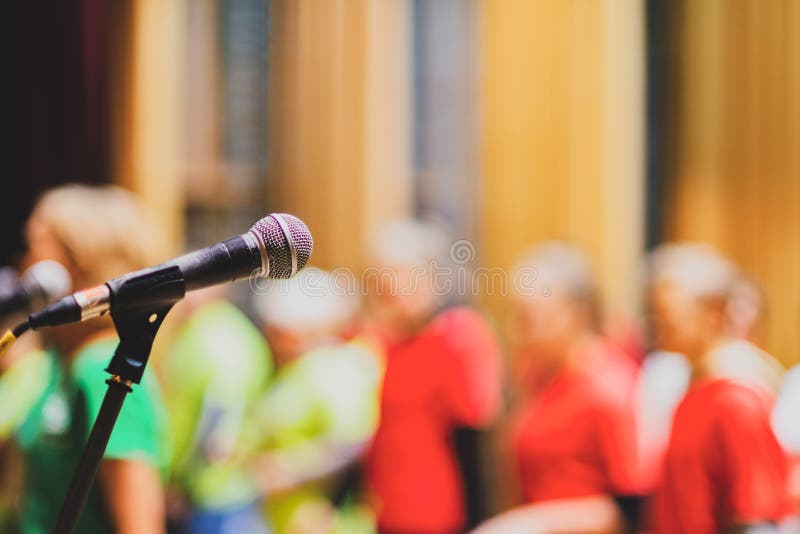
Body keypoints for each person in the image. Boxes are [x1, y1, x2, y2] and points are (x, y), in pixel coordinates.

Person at [10, 184, 171, 533]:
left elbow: (139, 527)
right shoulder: (60, 362)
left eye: (32, 248)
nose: (23, 264)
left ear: (78, 261)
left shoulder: (106, 370)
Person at [475, 243, 640, 534]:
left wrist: (535, 522)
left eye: (529, 319)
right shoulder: (535, 376)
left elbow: (631, 508)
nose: (516, 331)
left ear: (575, 315)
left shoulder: (609, 387)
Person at [361, 220, 502, 534]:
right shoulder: (388, 343)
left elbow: (474, 439)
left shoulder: (461, 335)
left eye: (397, 276)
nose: (387, 289)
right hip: (389, 511)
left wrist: (479, 522)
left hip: (442, 516)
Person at [647, 243, 789, 532]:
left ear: (712, 311)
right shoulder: (694, 387)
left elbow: (756, 521)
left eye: (666, 314)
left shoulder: (736, 399)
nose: (657, 324)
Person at [249, 267, 382, 534]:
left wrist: (294, 471)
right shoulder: (293, 369)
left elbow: (352, 445)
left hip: (326, 521)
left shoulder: (337, 368)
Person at [162, 287, 273, 534]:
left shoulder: (207, 336)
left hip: (206, 493)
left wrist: (180, 482)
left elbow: (215, 420)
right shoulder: (241, 330)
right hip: (240, 485)